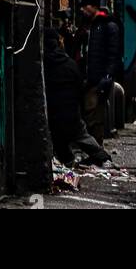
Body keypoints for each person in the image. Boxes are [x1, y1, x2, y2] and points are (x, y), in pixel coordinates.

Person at [44, 28, 110, 167]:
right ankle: (103, 158)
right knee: (82, 137)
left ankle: (68, 161)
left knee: (58, 138)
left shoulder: (44, 64)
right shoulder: (70, 64)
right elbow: (79, 88)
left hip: (52, 111)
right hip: (70, 111)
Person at [79, 0, 120, 144]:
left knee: (94, 119)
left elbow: (113, 55)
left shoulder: (107, 26)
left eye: (85, 6)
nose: (82, 10)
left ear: (93, 5)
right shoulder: (88, 26)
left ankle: (96, 153)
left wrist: (107, 77)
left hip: (98, 81)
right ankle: (93, 152)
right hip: (86, 80)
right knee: (88, 116)